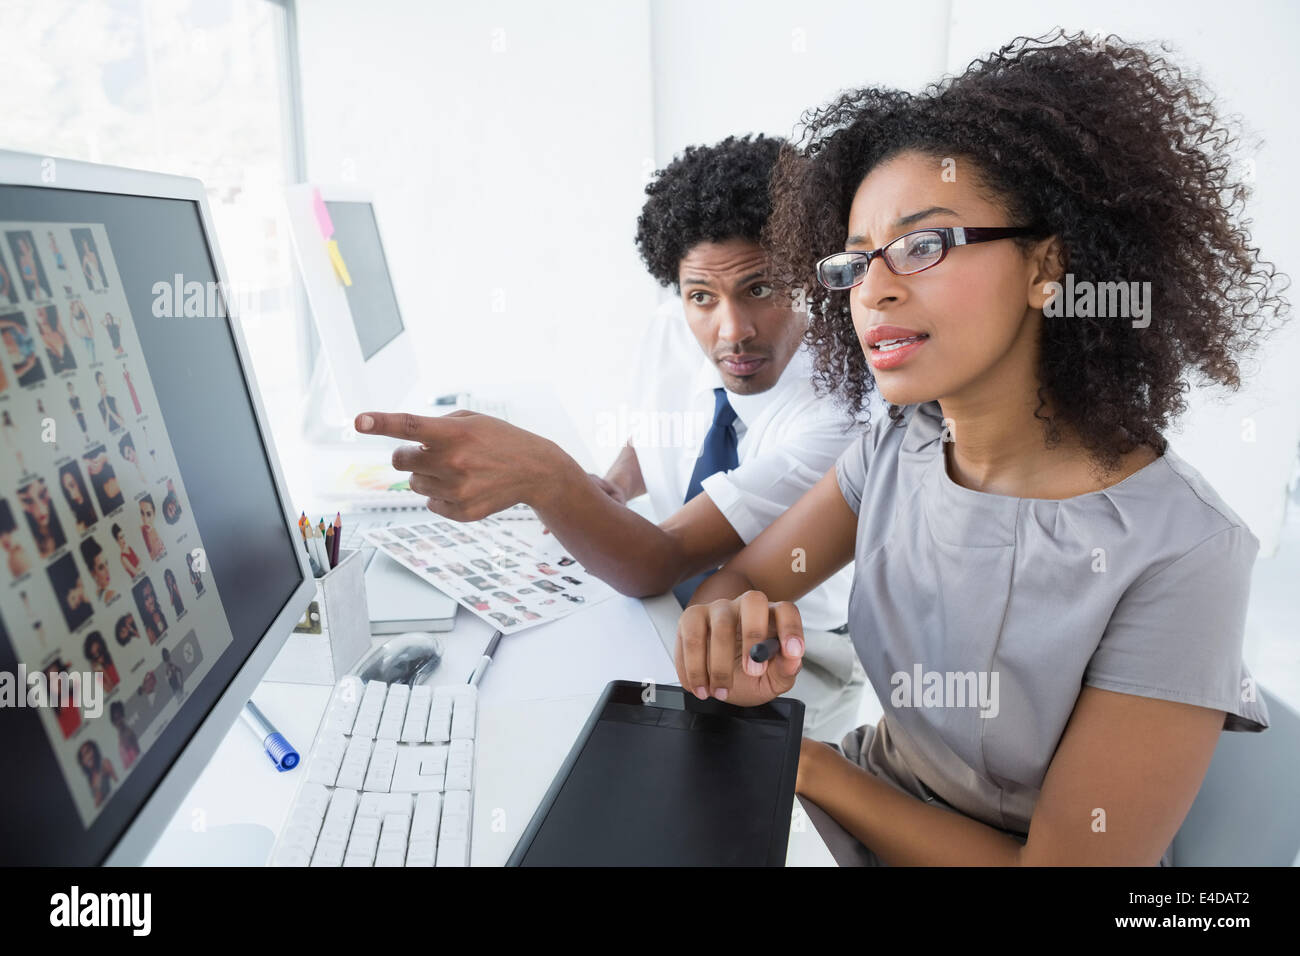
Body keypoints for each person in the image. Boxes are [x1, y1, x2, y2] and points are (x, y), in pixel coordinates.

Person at [671, 31, 1288, 867]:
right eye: (856, 263)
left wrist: (808, 765)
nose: (876, 289)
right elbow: (739, 582)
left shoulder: (1183, 551)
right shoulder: (898, 444)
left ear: (1048, 267)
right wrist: (733, 631)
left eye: (925, 246)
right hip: (846, 807)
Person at [357, 136, 883, 741]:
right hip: (668, 616)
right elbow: (662, 429)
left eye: (760, 289)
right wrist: (615, 483)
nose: (731, 330)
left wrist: (544, 476)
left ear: (805, 277)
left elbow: (658, 562)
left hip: (787, 653)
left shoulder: (841, 413)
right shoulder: (674, 325)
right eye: (702, 297)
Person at [77, 740, 117, 808]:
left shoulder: (105, 763)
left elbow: (117, 781)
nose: (88, 757)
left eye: (88, 751)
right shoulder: (90, 779)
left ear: (94, 750)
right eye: (83, 756)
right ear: (82, 762)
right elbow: (96, 805)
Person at [80, 535, 117, 604]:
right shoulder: (111, 594)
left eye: (106, 563)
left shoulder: (95, 596)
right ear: (92, 572)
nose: (107, 570)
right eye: (101, 567)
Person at [110, 700, 140, 770]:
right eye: (115, 719)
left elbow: (138, 754)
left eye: (120, 717)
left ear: (123, 716)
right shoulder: (119, 736)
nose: (118, 722)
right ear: (113, 722)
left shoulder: (129, 733)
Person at [139, 495, 164, 560]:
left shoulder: (161, 533)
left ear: (154, 513)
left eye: (149, 514)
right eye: (142, 513)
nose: (145, 520)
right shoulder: (140, 531)